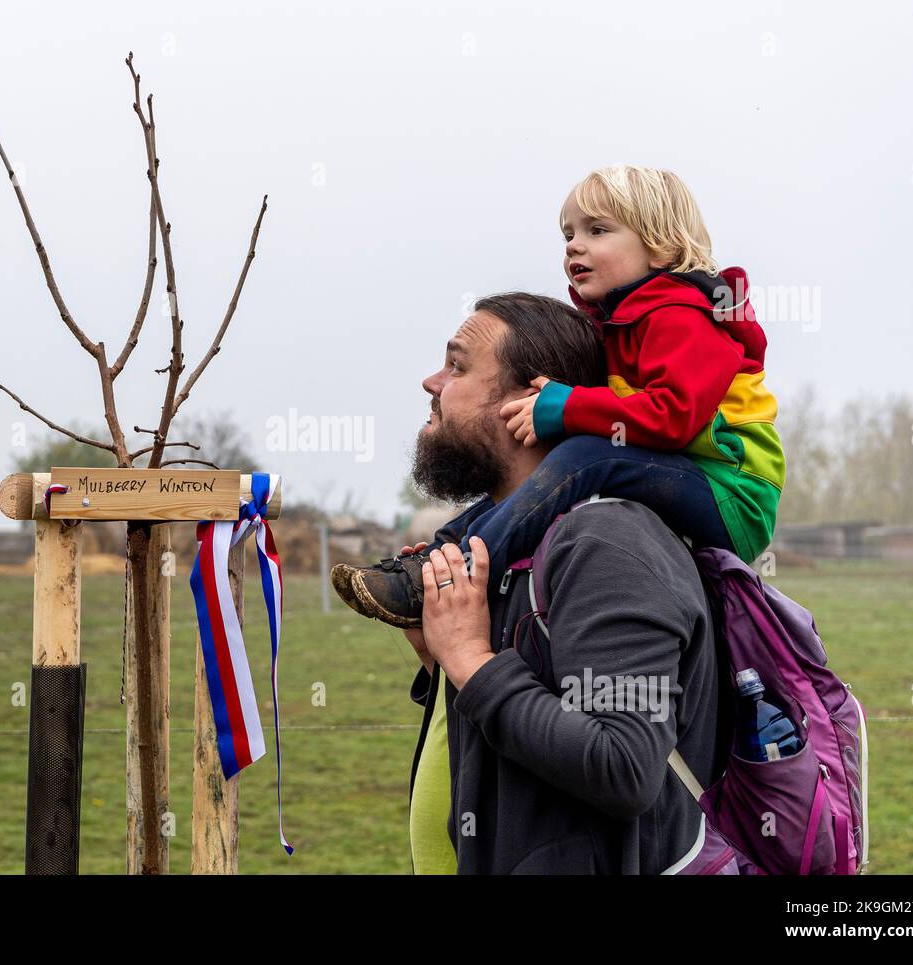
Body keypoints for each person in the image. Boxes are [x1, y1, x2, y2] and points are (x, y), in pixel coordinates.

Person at [332, 164, 784, 629]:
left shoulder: (682, 316)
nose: (574, 244)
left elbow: (673, 418)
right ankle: (434, 562)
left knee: (585, 457)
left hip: (732, 494)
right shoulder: (626, 323)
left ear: (661, 245)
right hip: (687, 475)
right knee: (544, 477)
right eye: (568, 233)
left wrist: (566, 407)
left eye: (598, 229)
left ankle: (459, 577)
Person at [385, 293, 727, 874]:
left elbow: (624, 767)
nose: (431, 381)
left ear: (530, 400)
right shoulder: (515, 550)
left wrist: (471, 660)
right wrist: (441, 658)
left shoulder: (606, 543)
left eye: (458, 365)